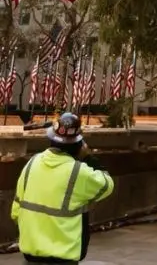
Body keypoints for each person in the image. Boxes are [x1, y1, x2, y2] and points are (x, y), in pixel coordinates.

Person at [12, 112, 115, 264]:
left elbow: (16, 211)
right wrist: (88, 157)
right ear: (78, 145)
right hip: (63, 258)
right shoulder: (78, 172)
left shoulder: (32, 163)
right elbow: (107, 185)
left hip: (30, 256)